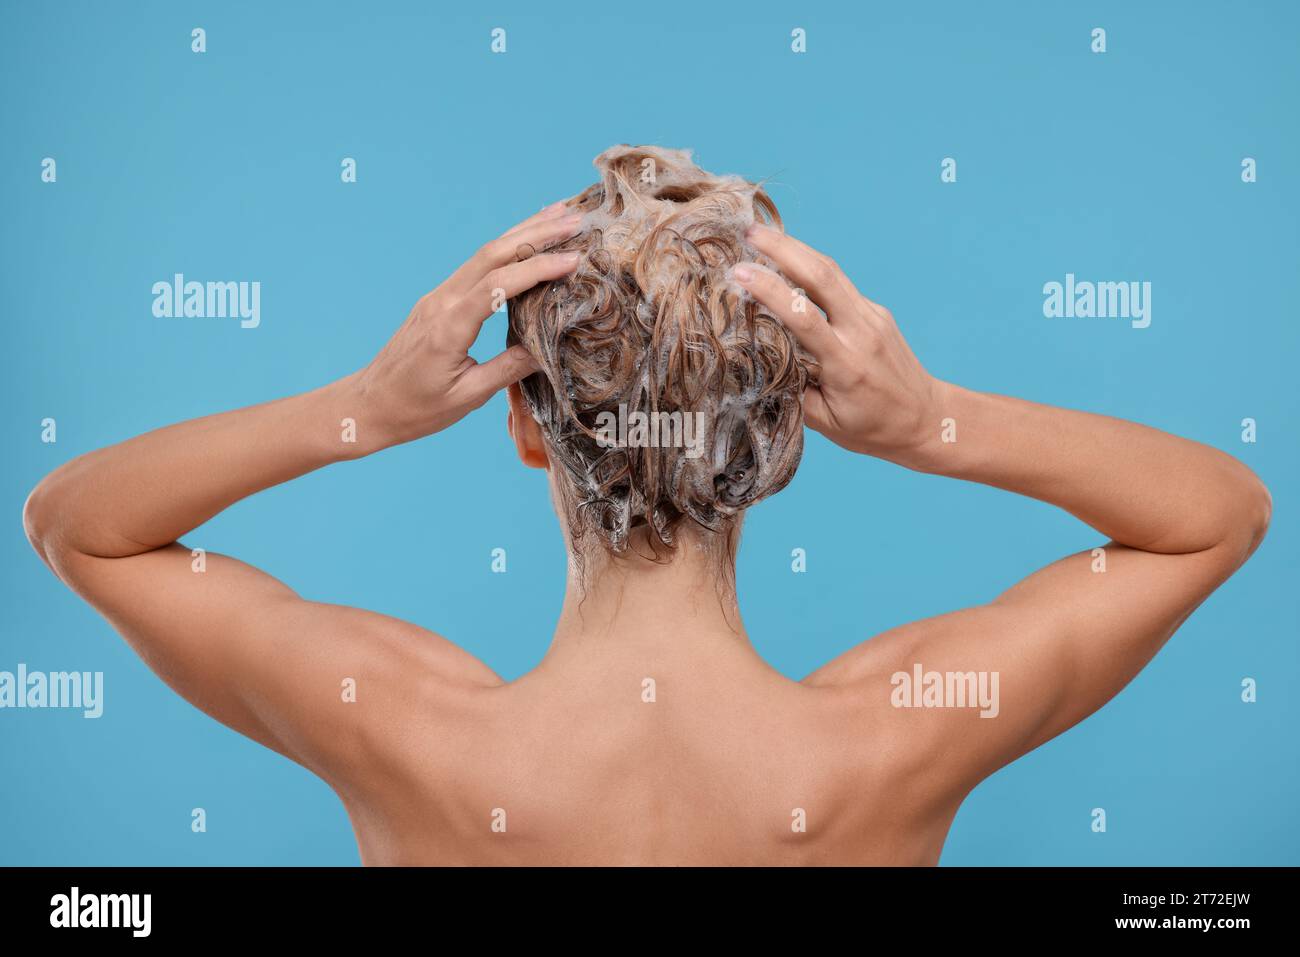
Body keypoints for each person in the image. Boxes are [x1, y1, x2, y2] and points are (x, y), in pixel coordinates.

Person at [23, 147, 1270, 865]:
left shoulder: (406, 733)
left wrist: (361, 407)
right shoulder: (891, 741)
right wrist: (933, 419)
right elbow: (1217, 513)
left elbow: (77, 524)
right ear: (787, 432)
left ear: (521, 426)